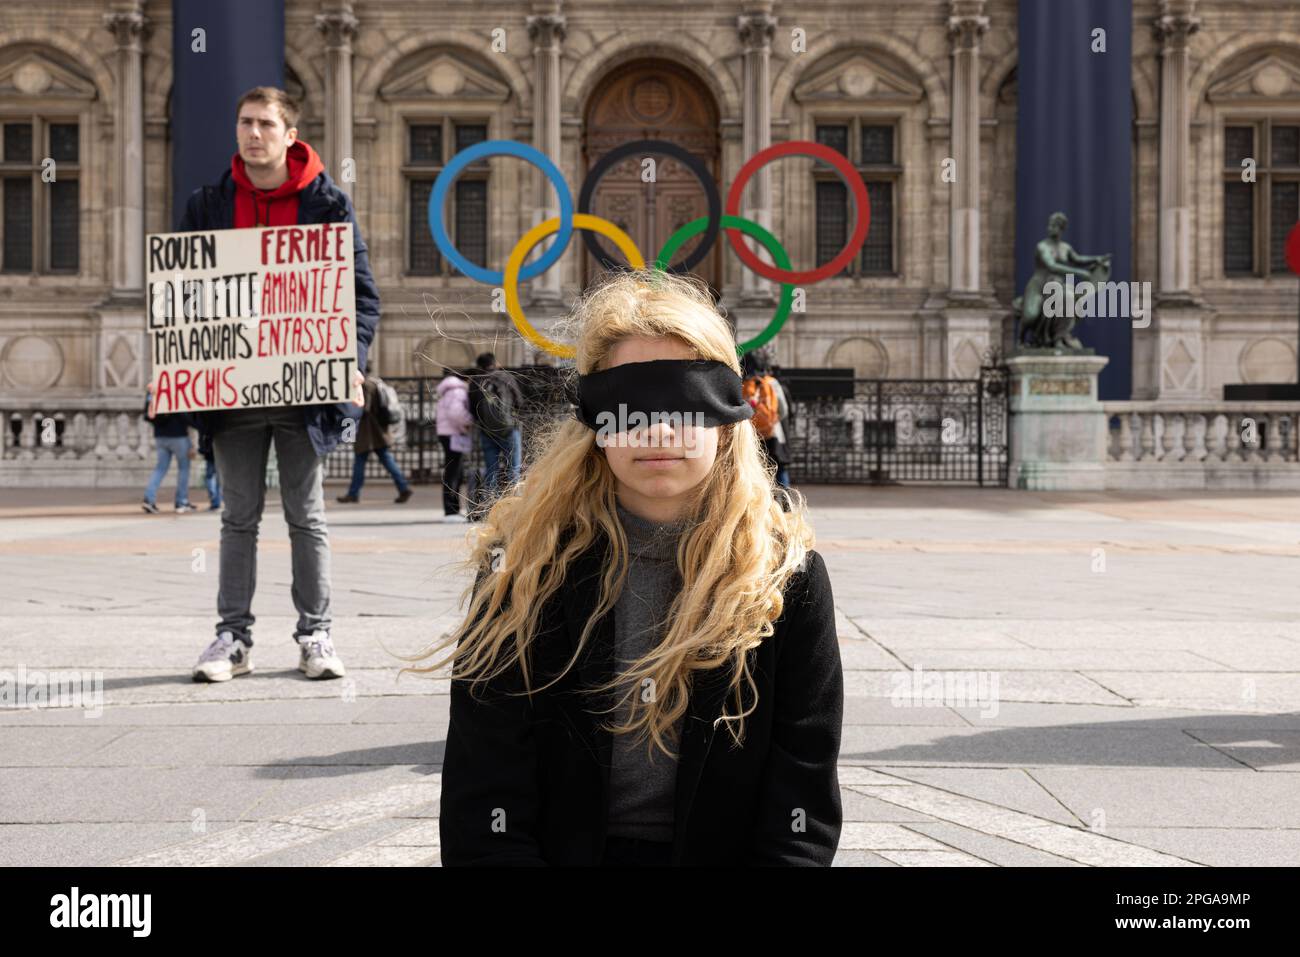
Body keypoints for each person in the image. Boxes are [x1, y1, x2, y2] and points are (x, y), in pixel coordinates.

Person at [414, 269, 843, 866]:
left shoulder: (787, 578)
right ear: (595, 422)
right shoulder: (523, 569)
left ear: (723, 420)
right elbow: (484, 787)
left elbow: (800, 801)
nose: (658, 429)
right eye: (630, 407)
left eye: (684, 402)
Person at [162, 86, 379, 683]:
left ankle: (316, 634)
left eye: (264, 124)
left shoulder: (329, 205)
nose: (252, 133)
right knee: (238, 517)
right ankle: (232, 637)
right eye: (244, 122)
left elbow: (361, 297)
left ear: (290, 135)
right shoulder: (208, 205)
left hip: (305, 393)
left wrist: (350, 360)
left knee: (306, 517)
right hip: (232, 394)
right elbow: (183, 297)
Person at [337, 376, 413, 504]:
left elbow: (364, 408)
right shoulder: (376, 382)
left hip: (368, 429)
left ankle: (353, 493)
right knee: (385, 459)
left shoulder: (365, 385)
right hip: (378, 429)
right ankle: (403, 487)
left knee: (360, 460)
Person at [468, 352, 524, 507]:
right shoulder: (506, 377)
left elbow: (472, 410)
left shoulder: (476, 381)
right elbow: (519, 402)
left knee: (491, 470)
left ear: (479, 366)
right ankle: (514, 505)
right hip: (509, 429)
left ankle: (490, 507)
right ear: (495, 362)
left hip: (486, 431)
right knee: (513, 469)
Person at [743, 349, 792, 489]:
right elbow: (783, 410)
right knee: (779, 469)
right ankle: (784, 504)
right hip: (773, 433)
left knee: (754, 470)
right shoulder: (771, 383)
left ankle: (758, 504)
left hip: (751, 434)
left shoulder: (743, 384)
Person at [142, 386, 195, 514]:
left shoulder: (153, 388)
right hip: (178, 435)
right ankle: (181, 501)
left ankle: (149, 499)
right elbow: (184, 414)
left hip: (160, 435)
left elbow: (148, 413)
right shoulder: (176, 386)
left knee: (160, 468)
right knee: (184, 468)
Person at [435, 370, 475, 522]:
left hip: (446, 433)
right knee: (454, 472)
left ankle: (452, 509)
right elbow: (456, 413)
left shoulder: (448, 391)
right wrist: (469, 421)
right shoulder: (458, 391)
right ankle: (451, 510)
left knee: (452, 470)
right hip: (454, 435)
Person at [198, 430, 222, 511]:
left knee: (211, 477)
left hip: (210, 453)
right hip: (214, 452)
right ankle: (216, 501)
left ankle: (215, 500)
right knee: (216, 478)